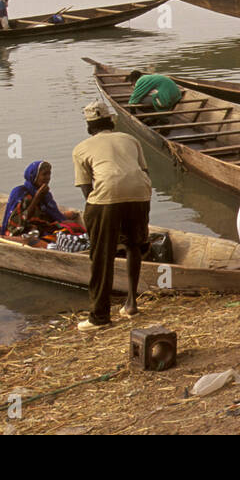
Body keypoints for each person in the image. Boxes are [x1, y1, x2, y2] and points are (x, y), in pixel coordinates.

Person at [72, 101, 153, 330]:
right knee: (134, 246)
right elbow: (144, 172)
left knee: (101, 254)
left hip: (107, 195)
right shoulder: (130, 139)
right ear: (110, 121)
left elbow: (87, 190)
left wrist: (97, 214)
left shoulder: (81, 149)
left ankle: (99, 316)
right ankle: (131, 304)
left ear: (89, 126)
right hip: (140, 193)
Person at [2, 160, 80, 238]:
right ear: (33, 176)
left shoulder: (46, 195)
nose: (48, 178)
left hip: (41, 226)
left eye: (49, 174)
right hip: (22, 229)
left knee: (72, 228)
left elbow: (51, 215)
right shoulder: (20, 192)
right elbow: (19, 221)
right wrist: (37, 197)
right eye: (44, 174)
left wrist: (63, 218)